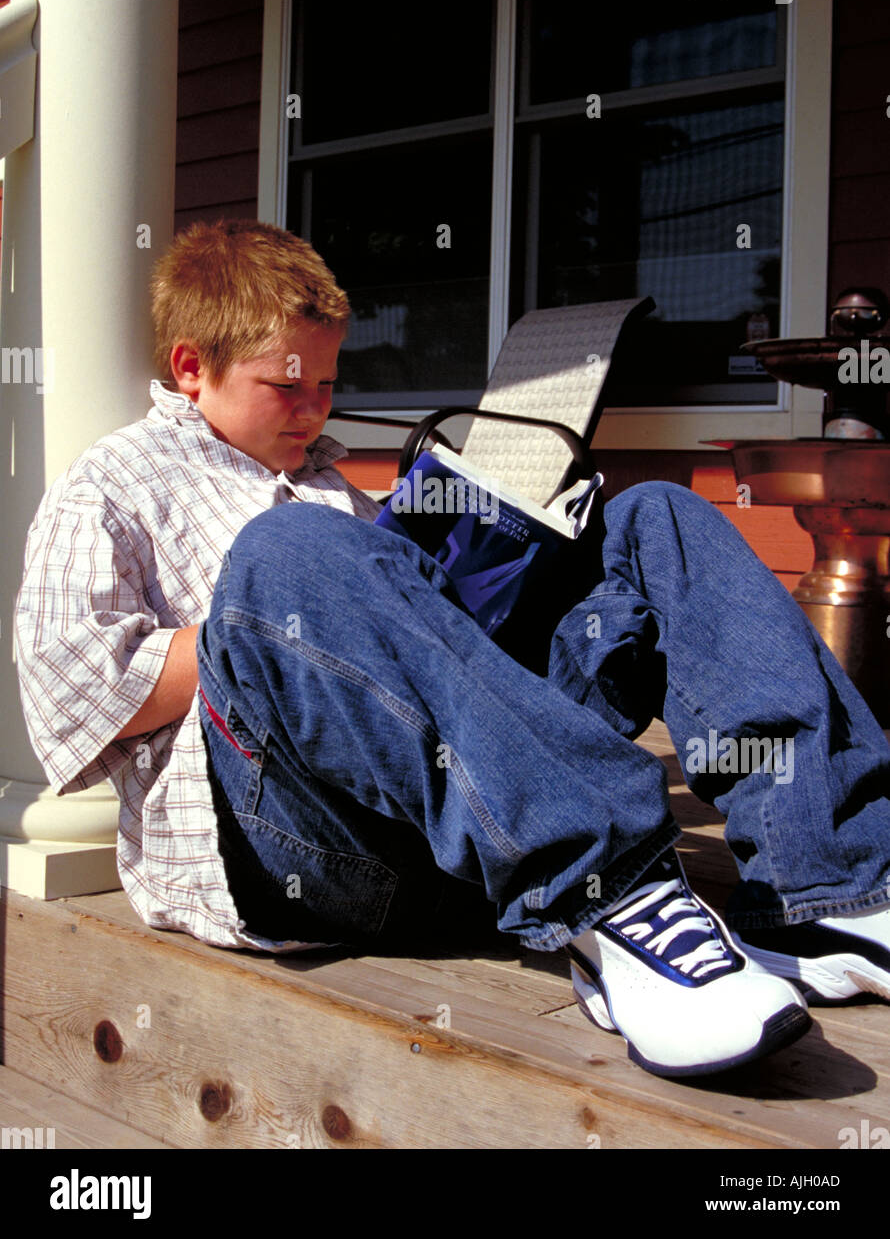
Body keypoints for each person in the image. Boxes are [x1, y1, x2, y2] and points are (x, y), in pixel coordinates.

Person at [14, 219, 890, 1083]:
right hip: (293, 854)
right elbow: (74, 691)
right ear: (192, 367)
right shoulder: (113, 484)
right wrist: (282, 628)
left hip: (452, 822)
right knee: (287, 557)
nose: (317, 407)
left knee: (651, 519)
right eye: (288, 385)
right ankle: (616, 898)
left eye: (328, 380)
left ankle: (830, 888)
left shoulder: (327, 483)